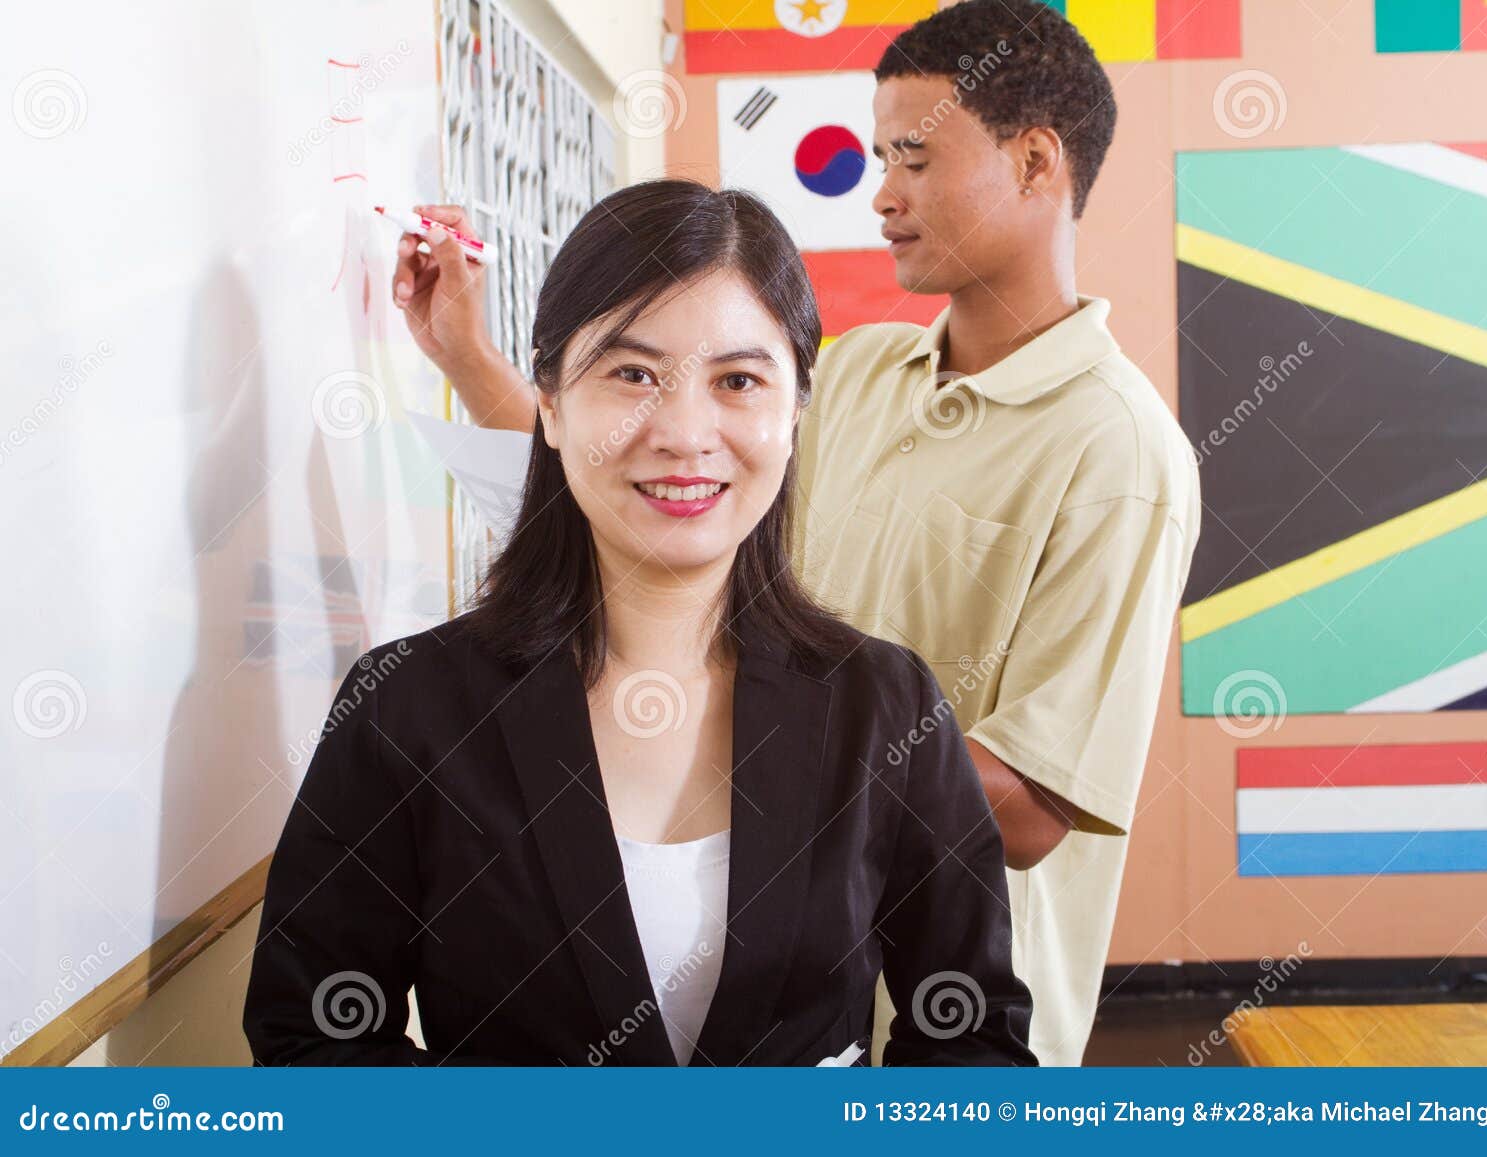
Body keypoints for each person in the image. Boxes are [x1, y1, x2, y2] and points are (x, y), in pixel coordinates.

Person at [389, 1, 1199, 1067]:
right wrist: (469, 361)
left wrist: (723, 739)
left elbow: (1036, 805)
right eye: (876, 157)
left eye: (913, 157)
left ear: (1037, 161)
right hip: (747, 991)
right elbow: (659, 484)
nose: (883, 195)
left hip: (940, 1028)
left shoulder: (1123, 451)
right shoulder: (859, 371)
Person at [242, 180, 1035, 1067]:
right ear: (549, 399)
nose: (686, 432)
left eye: (738, 380)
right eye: (631, 374)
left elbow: (974, 1040)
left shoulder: (885, 705)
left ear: (797, 407)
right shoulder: (409, 705)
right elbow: (309, 1032)